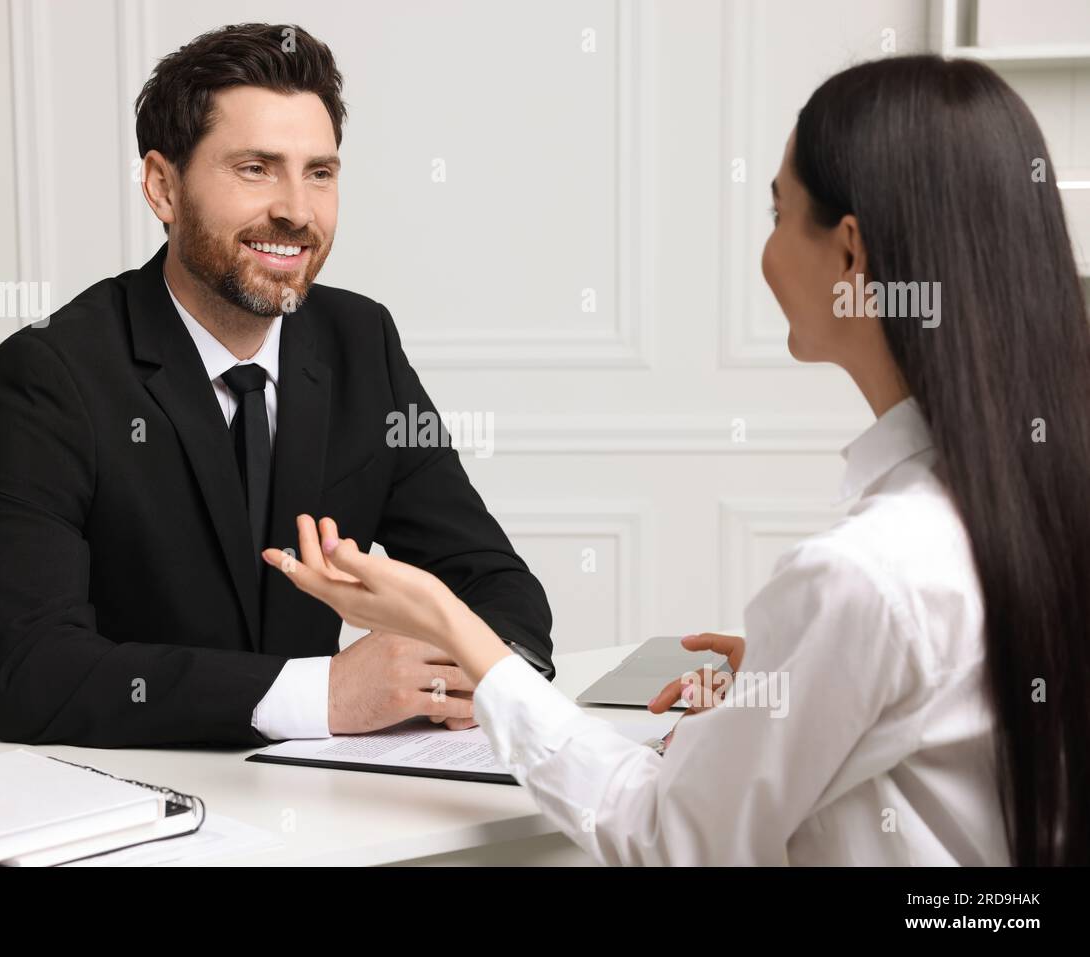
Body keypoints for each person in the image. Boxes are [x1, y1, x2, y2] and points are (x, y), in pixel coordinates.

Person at [265, 54, 1090, 866]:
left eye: (777, 215)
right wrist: (798, 682)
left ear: (849, 257)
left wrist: (452, 628)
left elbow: (668, 837)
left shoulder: (866, 577)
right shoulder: (1024, 503)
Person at [0, 23, 553, 749]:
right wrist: (327, 693)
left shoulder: (362, 342)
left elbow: (498, 587)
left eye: (320, 173)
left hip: (336, 813)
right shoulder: (52, 374)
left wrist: (477, 679)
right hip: (147, 810)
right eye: (255, 168)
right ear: (161, 186)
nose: (298, 211)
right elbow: (30, 672)